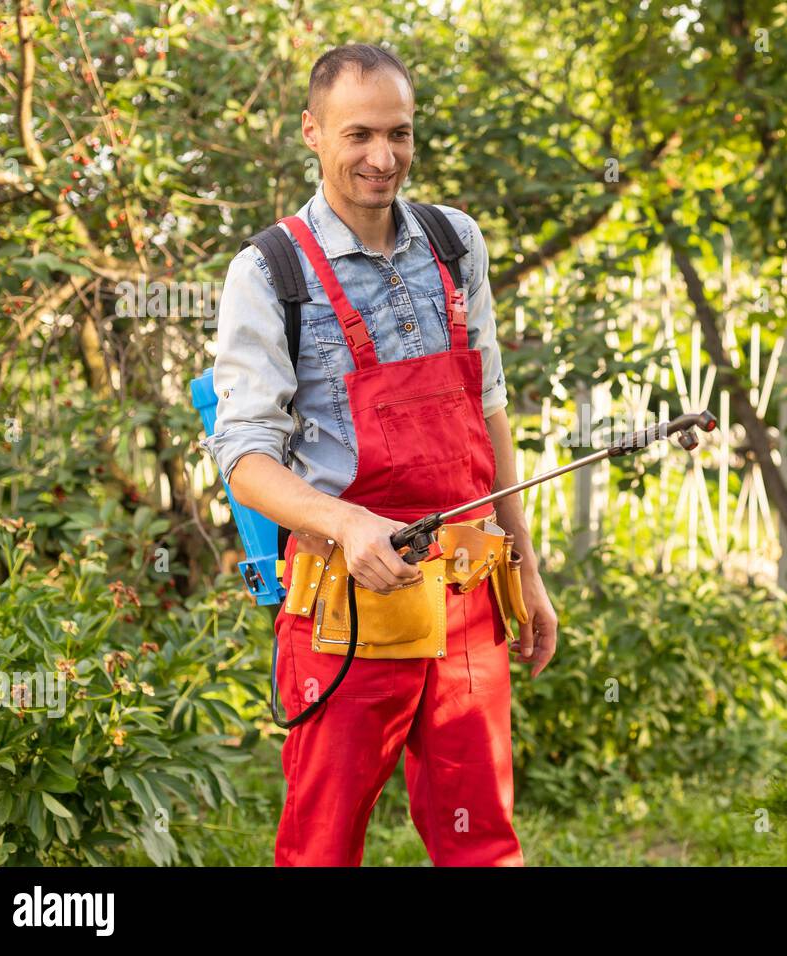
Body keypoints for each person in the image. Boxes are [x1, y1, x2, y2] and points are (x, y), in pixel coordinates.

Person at [199, 42, 558, 866]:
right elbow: (245, 458)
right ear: (313, 134)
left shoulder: (455, 242)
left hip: (470, 596)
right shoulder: (268, 271)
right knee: (321, 849)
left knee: (484, 846)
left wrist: (528, 572)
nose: (382, 157)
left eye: (399, 134)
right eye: (358, 134)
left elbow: (488, 407)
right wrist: (347, 523)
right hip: (345, 612)